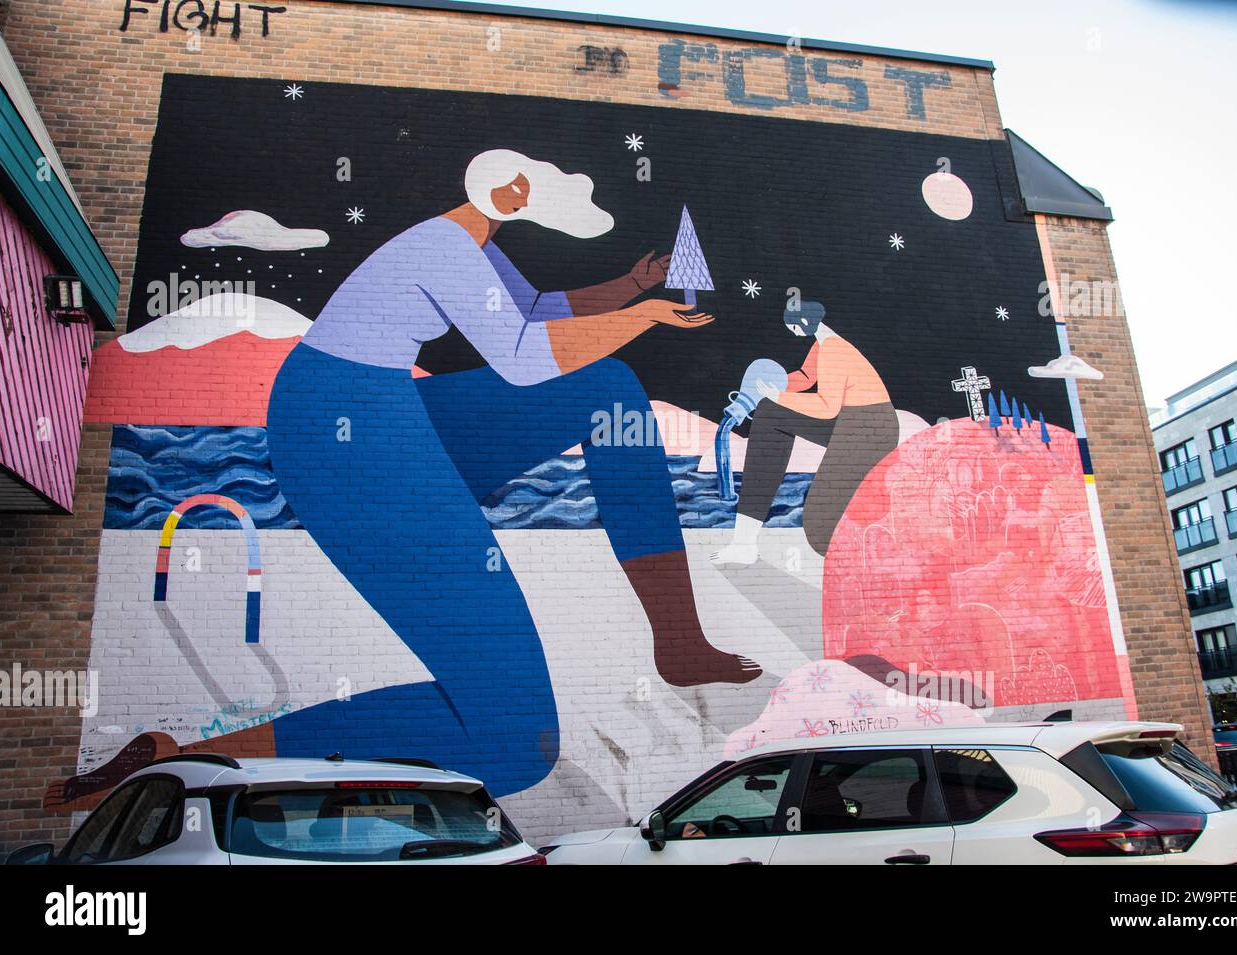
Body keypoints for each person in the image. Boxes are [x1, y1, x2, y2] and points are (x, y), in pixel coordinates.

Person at [46, 149, 760, 812]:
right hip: (343, 435)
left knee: (607, 389)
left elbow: (537, 311)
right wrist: (640, 316)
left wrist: (627, 287)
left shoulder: (470, 245)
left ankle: (679, 639)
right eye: (537, 190)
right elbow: (520, 354)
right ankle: (184, 762)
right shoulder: (443, 245)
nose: (548, 203)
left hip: (379, 407)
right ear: (508, 193)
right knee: (515, 740)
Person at [711, 301, 897, 563]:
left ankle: (864, 554)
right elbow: (804, 377)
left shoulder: (834, 349)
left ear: (805, 323)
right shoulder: (821, 345)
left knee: (819, 528)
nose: (794, 333)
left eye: (794, 327)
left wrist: (776, 395)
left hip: (869, 427)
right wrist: (761, 388)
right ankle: (744, 542)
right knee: (769, 413)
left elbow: (826, 407)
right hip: (849, 420)